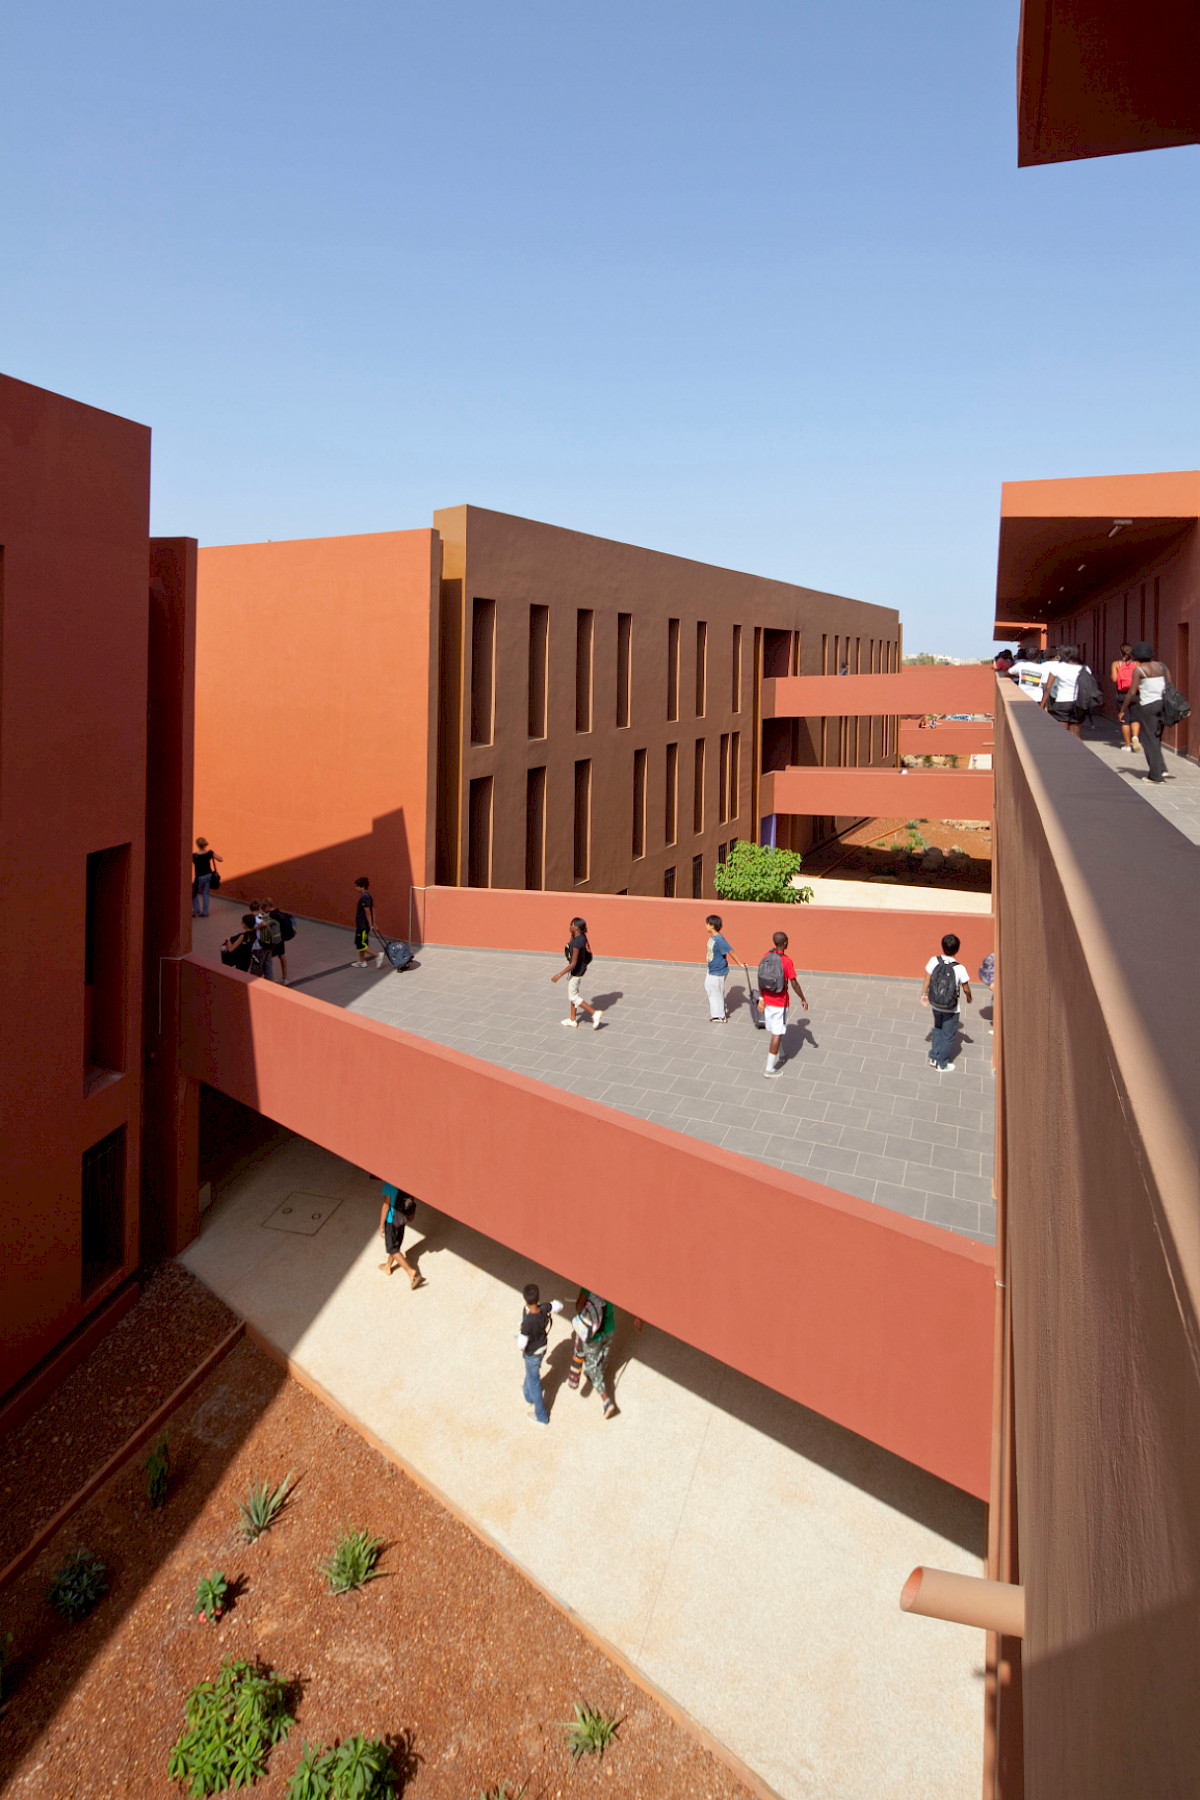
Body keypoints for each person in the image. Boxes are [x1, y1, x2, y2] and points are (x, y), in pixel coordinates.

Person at [756, 930, 809, 1077]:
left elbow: (760, 979)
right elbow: (794, 983)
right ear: (785, 943)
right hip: (780, 1003)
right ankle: (769, 1069)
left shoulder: (766, 956)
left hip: (767, 1001)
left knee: (775, 1030)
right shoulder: (786, 961)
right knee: (777, 1033)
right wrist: (803, 998)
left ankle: (782, 1053)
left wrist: (761, 998)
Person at [920, 932, 973, 1073]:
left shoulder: (933, 961)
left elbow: (927, 979)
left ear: (942, 946)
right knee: (948, 1036)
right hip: (951, 1007)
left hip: (936, 1003)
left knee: (937, 1028)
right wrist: (969, 997)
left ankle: (933, 1057)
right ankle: (942, 1064)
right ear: (957, 949)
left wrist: (924, 994)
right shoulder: (959, 968)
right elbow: (966, 987)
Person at [1125, 642, 1173, 784]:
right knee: (1156, 738)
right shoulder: (1162, 667)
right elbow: (1169, 685)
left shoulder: (1139, 670)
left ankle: (1155, 776)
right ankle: (1161, 769)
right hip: (1163, 705)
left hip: (1148, 706)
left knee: (1148, 739)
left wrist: (1123, 709)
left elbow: (1132, 692)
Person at [517, 1282, 564, 1426]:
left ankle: (541, 1415)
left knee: (534, 1381)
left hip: (532, 1353)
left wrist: (520, 1331)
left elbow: (521, 1344)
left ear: (526, 1300)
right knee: (531, 1376)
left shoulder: (528, 1322)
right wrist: (550, 1305)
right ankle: (527, 1394)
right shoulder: (544, 1308)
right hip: (542, 1347)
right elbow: (558, 1305)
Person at [570, 1289, 618, 1419]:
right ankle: (599, 1373)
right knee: (604, 1354)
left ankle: (607, 1401)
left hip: (593, 1334)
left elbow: (578, 1307)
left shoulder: (588, 1286)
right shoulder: (613, 1287)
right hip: (609, 1328)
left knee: (591, 1367)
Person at [551, 917, 604, 1028]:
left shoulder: (576, 943)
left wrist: (559, 975)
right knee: (574, 993)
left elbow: (573, 963)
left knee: (573, 997)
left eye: (571, 925)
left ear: (575, 927)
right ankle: (573, 1019)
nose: (569, 927)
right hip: (581, 969)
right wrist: (572, 935)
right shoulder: (582, 937)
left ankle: (594, 1013)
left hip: (576, 972)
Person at [378, 1182, 424, 1288]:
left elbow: (386, 1206)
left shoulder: (388, 1185)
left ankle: (410, 1271)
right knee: (396, 1244)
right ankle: (387, 1267)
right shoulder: (403, 1179)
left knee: (392, 1249)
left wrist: (381, 1225)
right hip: (401, 1219)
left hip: (391, 1221)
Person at [1040, 645, 1088, 738]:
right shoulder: (1084, 668)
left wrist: (1042, 704)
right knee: (1075, 732)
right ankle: (1078, 751)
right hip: (1079, 702)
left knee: (1062, 733)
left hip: (1063, 702)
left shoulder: (1057, 668)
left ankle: (1064, 750)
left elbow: (1048, 688)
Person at [703, 914, 736, 1022]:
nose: (706, 926)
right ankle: (721, 1008)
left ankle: (720, 1016)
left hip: (718, 971)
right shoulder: (713, 938)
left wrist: (740, 963)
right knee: (710, 988)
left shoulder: (719, 939)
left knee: (716, 991)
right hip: (712, 969)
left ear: (712, 925)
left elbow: (730, 951)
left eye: (707, 924)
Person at [1111, 643, 1141, 754]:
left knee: (1125, 719)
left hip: (1122, 694)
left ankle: (1127, 745)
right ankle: (1136, 737)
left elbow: (1114, 679)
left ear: (1121, 652)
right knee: (1136, 718)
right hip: (1135, 693)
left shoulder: (1116, 664)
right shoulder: (1137, 664)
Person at [353, 875, 386, 969]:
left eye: (357, 886)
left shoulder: (364, 897)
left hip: (362, 925)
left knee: (360, 943)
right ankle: (362, 961)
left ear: (362, 886)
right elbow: (373, 909)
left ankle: (377, 955)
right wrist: (373, 922)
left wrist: (371, 924)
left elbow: (367, 911)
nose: (355, 888)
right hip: (363, 925)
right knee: (363, 942)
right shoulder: (368, 896)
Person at [192, 838, 223, 917]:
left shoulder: (195, 856)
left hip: (199, 877)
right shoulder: (209, 853)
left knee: (194, 893)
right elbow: (220, 859)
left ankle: (196, 909)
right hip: (209, 875)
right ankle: (205, 911)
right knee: (205, 893)